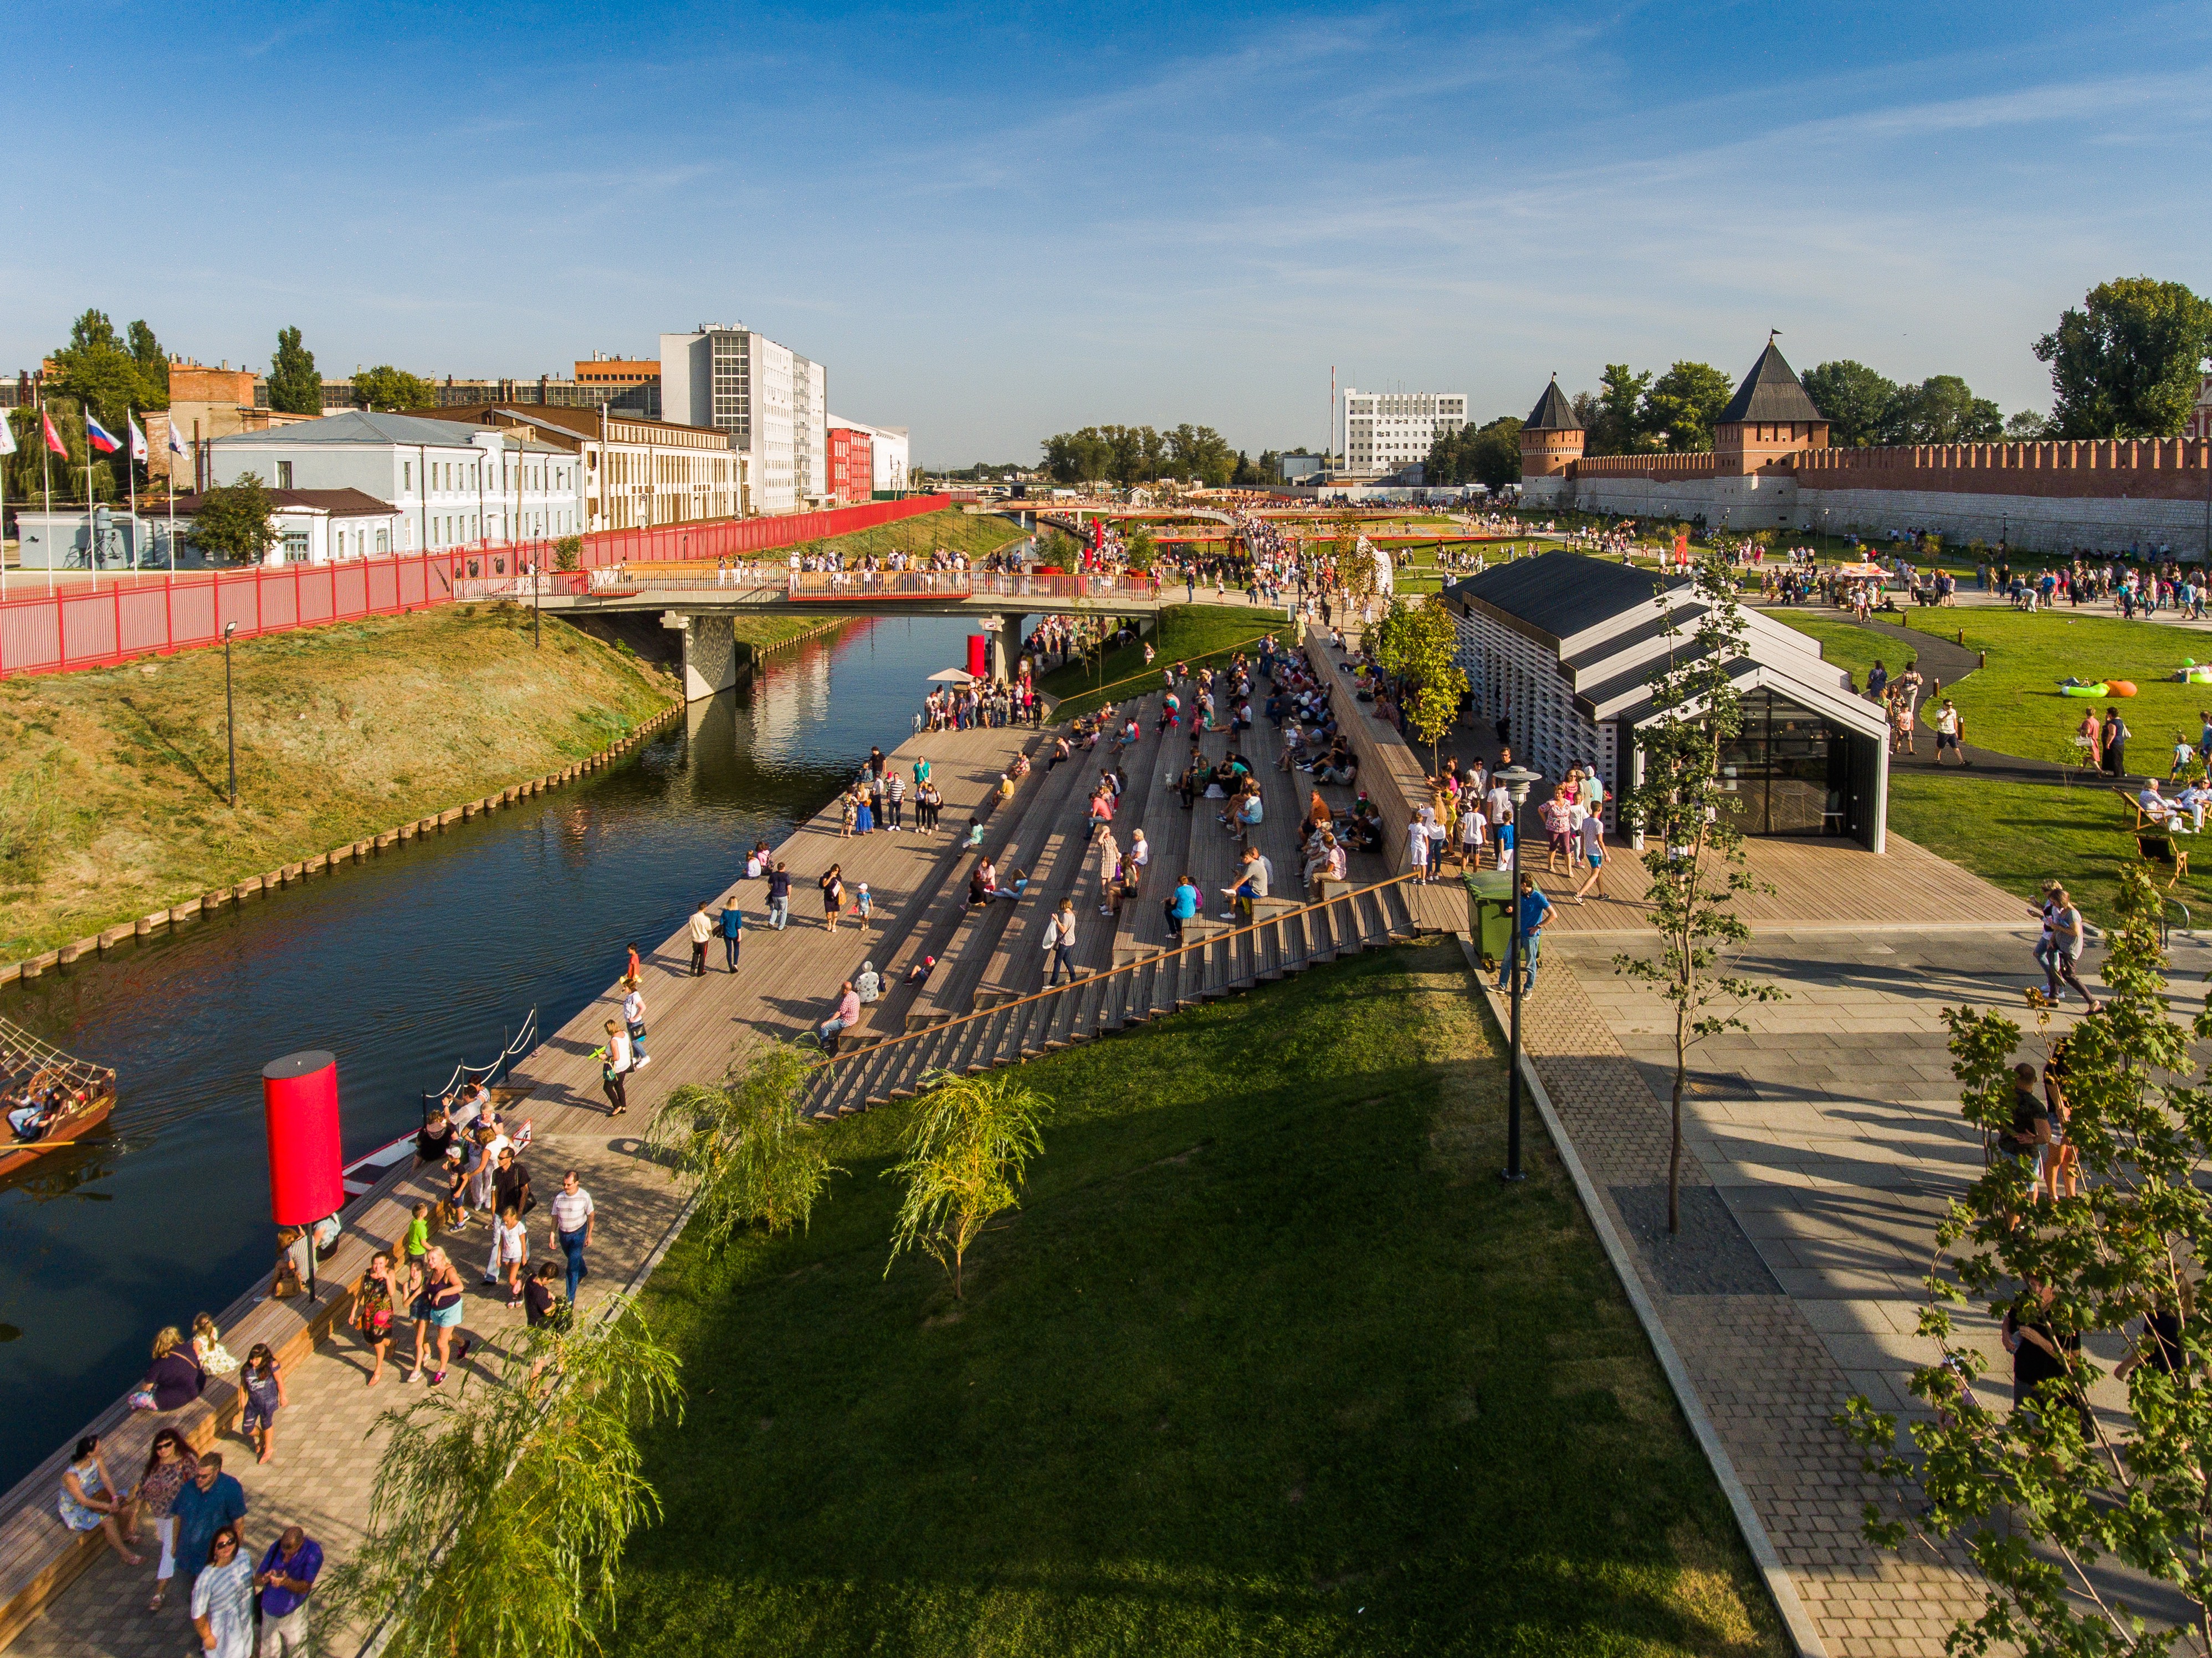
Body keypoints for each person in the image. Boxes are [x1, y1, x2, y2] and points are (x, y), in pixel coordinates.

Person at [57, 1434, 141, 1566]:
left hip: (97, 1494)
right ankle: (126, 1555)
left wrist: (114, 1498)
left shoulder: (97, 1458)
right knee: (109, 1521)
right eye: (98, 1447)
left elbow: (106, 1478)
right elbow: (83, 1501)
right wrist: (108, 1507)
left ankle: (125, 1534)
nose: (100, 1448)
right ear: (88, 1454)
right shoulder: (70, 1476)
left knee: (125, 1509)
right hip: (78, 1507)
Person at [138, 1428, 198, 1610]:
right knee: (174, 1548)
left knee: (168, 1553)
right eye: (159, 1447)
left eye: (167, 1445)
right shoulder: (154, 1466)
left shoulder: (186, 1463)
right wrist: (133, 1518)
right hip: (160, 1517)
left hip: (178, 1515)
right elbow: (141, 1491)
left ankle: (159, 1593)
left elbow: (198, 1485)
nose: (163, 1450)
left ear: (175, 1443)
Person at [172, 1452, 247, 1594]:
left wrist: (235, 1552)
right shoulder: (188, 1488)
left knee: (213, 1597)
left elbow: (239, 1521)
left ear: (216, 1473)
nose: (199, 1480)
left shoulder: (230, 1488)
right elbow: (177, 1517)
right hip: (188, 1556)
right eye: (197, 1475)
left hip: (213, 1558)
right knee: (189, 1596)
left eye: (204, 1476)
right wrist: (174, 1545)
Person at [253, 1525, 322, 1657]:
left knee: (297, 1650)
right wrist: (265, 1578)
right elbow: (257, 1580)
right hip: (269, 1612)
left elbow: (305, 1586)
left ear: (301, 1543)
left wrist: (286, 1582)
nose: (286, 1556)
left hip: (293, 1613)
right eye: (284, 1552)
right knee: (268, 1652)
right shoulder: (275, 1548)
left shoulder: (313, 1552)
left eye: (290, 1553)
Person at [191, 1524, 257, 1658]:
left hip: (244, 1620)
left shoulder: (243, 1557)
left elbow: (250, 1582)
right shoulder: (207, 1578)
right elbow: (198, 1614)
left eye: (231, 1542)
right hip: (224, 1630)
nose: (227, 1547)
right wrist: (207, 1636)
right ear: (214, 1549)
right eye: (221, 1545)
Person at [410, 1245, 467, 1386]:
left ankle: (442, 1372)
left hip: (451, 1309)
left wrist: (441, 1293)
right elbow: (427, 1288)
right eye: (429, 1259)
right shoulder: (433, 1272)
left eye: (433, 1259)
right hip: (437, 1311)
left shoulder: (449, 1270)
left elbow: (460, 1287)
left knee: (441, 1343)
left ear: (442, 1258)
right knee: (446, 1337)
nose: (430, 1262)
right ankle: (463, 1343)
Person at [1500, 874, 1552, 994]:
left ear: (1524, 884)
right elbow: (1512, 902)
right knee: (1507, 960)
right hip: (1517, 933)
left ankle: (1528, 989)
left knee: (1530, 964)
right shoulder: (1519, 894)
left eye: (1518, 883)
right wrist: (1510, 907)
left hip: (1530, 937)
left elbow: (1553, 915)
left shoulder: (1539, 898)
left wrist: (1539, 926)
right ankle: (1502, 986)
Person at [356, 1251, 400, 1387]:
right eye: (375, 1263)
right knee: (371, 1341)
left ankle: (378, 1370)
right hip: (369, 1312)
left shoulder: (390, 1273)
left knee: (376, 1343)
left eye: (381, 1263)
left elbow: (392, 1292)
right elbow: (361, 1293)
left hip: (383, 1313)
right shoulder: (367, 1274)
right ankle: (391, 1343)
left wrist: (386, 1278)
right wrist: (354, 1312)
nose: (378, 1266)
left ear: (386, 1263)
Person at [238, 1343, 287, 1463]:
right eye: (252, 1358)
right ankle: (261, 1436)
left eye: (257, 1359)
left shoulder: (272, 1365)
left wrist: (283, 1396)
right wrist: (241, 1401)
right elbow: (243, 1386)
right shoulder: (247, 1369)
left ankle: (268, 1448)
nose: (253, 1362)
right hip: (253, 1403)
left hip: (268, 1402)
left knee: (266, 1424)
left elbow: (279, 1380)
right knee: (247, 1428)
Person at [551, 1170, 595, 1302]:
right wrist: (552, 1234)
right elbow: (555, 1217)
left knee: (571, 1267)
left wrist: (589, 1235)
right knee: (572, 1257)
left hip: (578, 1234)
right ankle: (583, 1271)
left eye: (569, 1185)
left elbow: (591, 1215)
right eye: (564, 1184)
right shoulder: (559, 1198)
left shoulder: (584, 1196)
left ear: (577, 1183)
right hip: (564, 1234)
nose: (565, 1187)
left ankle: (569, 1300)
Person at [144, 1325, 206, 1413]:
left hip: (174, 1401)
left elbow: (146, 1388)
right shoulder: (187, 1348)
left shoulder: (159, 1363)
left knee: (133, 1399)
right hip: (197, 1388)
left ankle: (137, 1415)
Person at [491, 1205, 530, 1303]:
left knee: (512, 1280)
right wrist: (499, 1257)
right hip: (506, 1256)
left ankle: (522, 1290)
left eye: (507, 1220)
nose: (506, 1222)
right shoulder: (503, 1227)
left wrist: (524, 1256)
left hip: (516, 1255)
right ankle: (516, 1295)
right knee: (512, 1279)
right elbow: (501, 1243)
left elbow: (523, 1242)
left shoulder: (519, 1227)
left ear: (513, 1217)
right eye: (504, 1220)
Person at [818, 980, 863, 1055]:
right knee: (831, 1016)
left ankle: (826, 1044)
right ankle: (831, 1036)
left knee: (824, 1027)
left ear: (845, 990)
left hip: (847, 1021)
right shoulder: (854, 995)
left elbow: (839, 1013)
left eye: (842, 989)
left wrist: (828, 1021)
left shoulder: (847, 1000)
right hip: (854, 1017)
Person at [1572, 811, 1607, 903]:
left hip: (1588, 851)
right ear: (1600, 810)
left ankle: (1602, 893)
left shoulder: (1586, 821)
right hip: (1596, 853)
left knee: (1599, 872)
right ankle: (1579, 894)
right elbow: (1600, 841)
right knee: (1594, 875)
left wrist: (1582, 851)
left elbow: (1582, 836)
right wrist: (1607, 855)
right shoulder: (1599, 824)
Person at [191, 1312, 239, 1378]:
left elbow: (195, 1355)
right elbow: (213, 1341)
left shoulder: (198, 1341)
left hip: (206, 1358)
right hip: (214, 1353)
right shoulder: (213, 1330)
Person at [598, 1019, 630, 1118]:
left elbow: (616, 1057)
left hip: (618, 1067)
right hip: (626, 1064)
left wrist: (606, 1057)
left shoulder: (614, 1041)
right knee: (619, 1085)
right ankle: (623, 1106)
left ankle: (617, 1106)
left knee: (607, 1088)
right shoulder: (624, 1034)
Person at [1043, 899, 1078, 985]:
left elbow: (1063, 930)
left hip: (1065, 942)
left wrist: (1057, 920)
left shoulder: (1066, 916)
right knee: (1067, 960)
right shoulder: (1072, 915)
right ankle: (1074, 979)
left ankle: (1053, 983)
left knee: (1057, 962)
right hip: (1071, 941)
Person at [621, 977, 649, 1068]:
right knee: (633, 1041)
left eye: (625, 987)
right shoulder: (629, 996)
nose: (623, 989)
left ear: (629, 987)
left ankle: (645, 1057)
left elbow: (643, 1007)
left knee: (635, 1042)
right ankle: (636, 1056)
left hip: (635, 1023)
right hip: (629, 1022)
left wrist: (634, 1018)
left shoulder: (635, 996)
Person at [717, 891, 744, 971]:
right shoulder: (737, 913)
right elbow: (739, 925)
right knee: (736, 948)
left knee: (729, 950)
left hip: (727, 934)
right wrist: (740, 935)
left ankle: (730, 966)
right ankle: (735, 965)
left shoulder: (725, 912)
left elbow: (721, 922)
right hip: (735, 933)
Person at [687, 902, 714, 976]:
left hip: (695, 939)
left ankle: (692, 969)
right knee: (702, 955)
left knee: (695, 954)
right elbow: (709, 928)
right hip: (703, 940)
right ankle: (700, 972)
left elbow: (690, 926)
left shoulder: (692, 917)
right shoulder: (706, 919)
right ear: (705, 908)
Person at [821, 863, 846, 932]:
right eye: (836, 870)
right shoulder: (827, 875)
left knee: (835, 911)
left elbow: (840, 886)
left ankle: (834, 925)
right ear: (832, 870)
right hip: (828, 895)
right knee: (828, 912)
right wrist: (831, 877)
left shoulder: (839, 877)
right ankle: (829, 923)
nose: (837, 872)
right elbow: (824, 884)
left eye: (838, 871)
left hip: (836, 896)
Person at [767, 861, 791, 930]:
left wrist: (772, 890)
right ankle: (781, 927)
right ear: (783, 868)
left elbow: (769, 884)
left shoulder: (773, 875)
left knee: (776, 908)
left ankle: (771, 922)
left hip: (775, 895)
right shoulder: (786, 876)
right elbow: (789, 886)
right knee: (784, 911)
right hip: (783, 895)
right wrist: (789, 895)